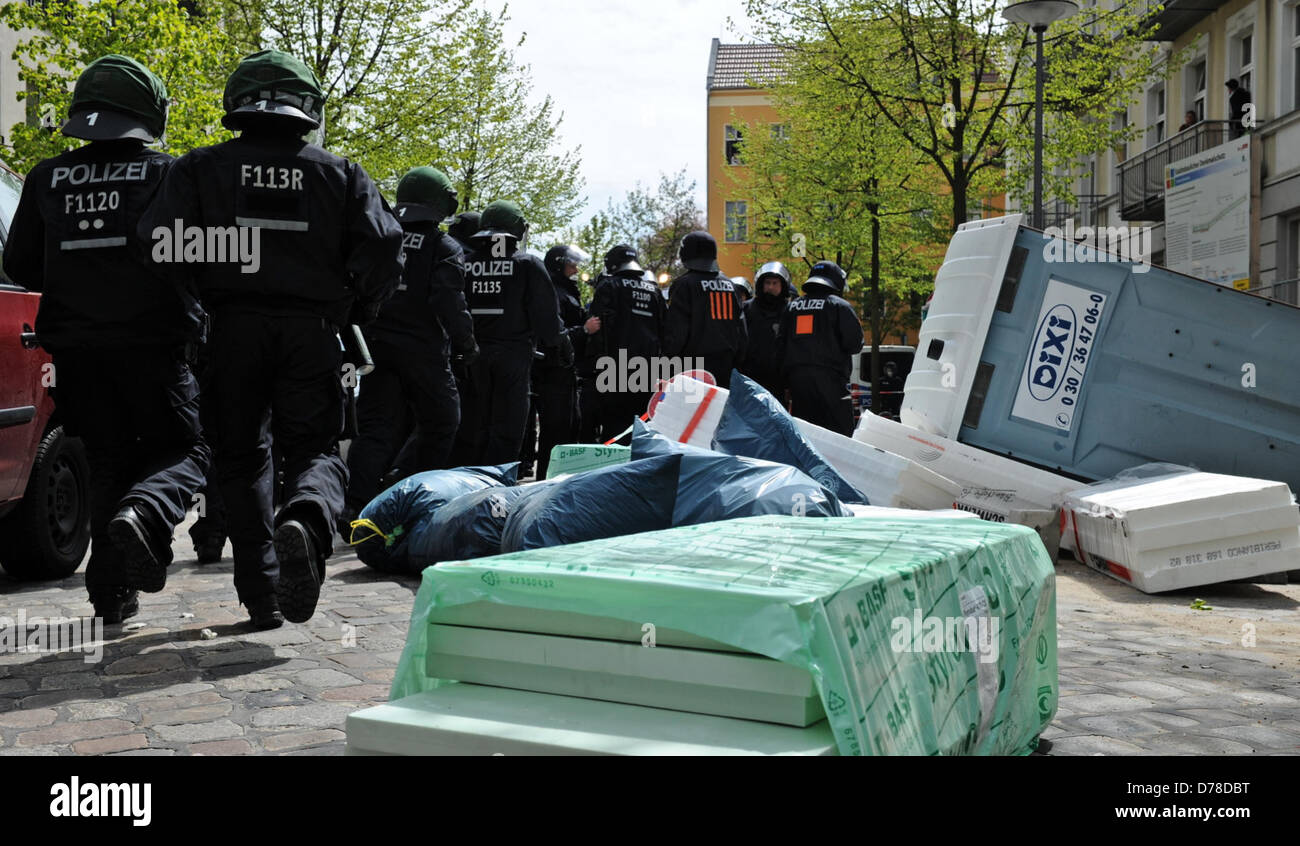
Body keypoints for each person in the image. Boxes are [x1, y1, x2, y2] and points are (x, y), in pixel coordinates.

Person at [139, 49, 404, 629]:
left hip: (231, 330)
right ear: (307, 107)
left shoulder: (199, 167)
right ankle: (306, 519)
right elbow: (386, 245)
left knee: (239, 459)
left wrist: (197, 299)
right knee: (316, 450)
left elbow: (158, 241)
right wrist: (358, 306)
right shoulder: (342, 173)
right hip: (312, 331)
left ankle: (261, 594)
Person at [2, 55, 210, 624]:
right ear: (148, 113)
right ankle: (146, 512)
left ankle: (111, 594)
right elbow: (198, 259)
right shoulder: (169, 174)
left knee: (106, 458)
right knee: (192, 448)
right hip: (155, 348)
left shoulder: (45, 177)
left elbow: (20, 264)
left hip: (76, 353)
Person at [343, 166, 477, 530]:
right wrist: (466, 345)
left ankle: (354, 506)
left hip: (376, 347)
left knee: (376, 428)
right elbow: (448, 300)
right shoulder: (442, 246)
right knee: (442, 421)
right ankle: (407, 493)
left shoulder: (381, 235)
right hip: (424, 353)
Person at [460, 200, 569, 465]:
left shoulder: (463, 263)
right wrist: (560, 343)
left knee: (474, 425)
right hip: (512, 358)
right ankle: (496, 483)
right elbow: (546, 317)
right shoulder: (527, 264)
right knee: (507, 428)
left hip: (472, 356)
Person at [588, 245, 666, 440]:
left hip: (615, 367)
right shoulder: (654, 291)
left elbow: (599, 328)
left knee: (614, 427)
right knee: (643, 425)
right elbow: (665, 330)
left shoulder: (609, 286)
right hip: (648, 369)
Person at [780, 261, 863, 436]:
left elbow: (780, 346)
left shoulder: (792, 308)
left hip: (798, 384)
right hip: (832, 382)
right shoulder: (839, 306)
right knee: (839, 435)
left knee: (806, 435)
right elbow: (854, 344)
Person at [533, 244, 594, 477]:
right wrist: (584, 330)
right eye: (572, 265)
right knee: (555, 428)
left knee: (570, 425)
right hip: (553, 368)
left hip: (567, 369)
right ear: (559, 265)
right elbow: (553, 333)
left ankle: (560, 478)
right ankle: (546, 479)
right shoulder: (553, 292)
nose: (576, 270)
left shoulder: (566, 290)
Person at [664, 231, 747, 389]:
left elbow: (677, 333)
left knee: (692, 406)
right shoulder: (731, 286)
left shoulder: (684, 285)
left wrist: (668, 360)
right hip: (725, 367)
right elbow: (742, 333)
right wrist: (736, 363)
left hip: (691, 370)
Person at [739, 261, 795, 403]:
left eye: (775, 283)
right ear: (761, 284)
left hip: (779, 379)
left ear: (783, 285)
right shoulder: (747, 309)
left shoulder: (790, 310)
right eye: (767, 283)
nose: (770, 287)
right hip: (749, 376)